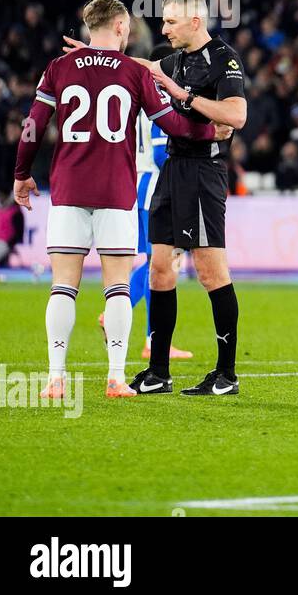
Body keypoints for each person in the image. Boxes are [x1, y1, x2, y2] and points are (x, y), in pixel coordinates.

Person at [13, 0, 222, 399]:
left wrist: (22, 174)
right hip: (117, 191)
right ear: (123, 27)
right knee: (118, 287)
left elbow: (32, 126)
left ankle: (55, 378)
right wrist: (211, 132)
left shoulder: (58, 68)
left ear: (90, 26)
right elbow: (174, 125)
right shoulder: (132, 72)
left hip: (69, 189)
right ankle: (115, 378)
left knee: (62, 286)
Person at [128, 0, 248, 395]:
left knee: (211, 272)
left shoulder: (224, 60)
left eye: (170, 22)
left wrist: (185, 96)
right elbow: (145, 67)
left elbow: (236, 115)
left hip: (204, 172)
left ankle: (226, 374)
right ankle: (158, 371)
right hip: (172, 169)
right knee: (160, 267)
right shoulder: (176, 60)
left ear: (195, 22)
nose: (163, 28)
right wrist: (99, 54)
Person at [96, 44, 193, 361]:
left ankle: (150, 337)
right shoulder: (160, 97)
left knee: (158, 263)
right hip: (156, 191)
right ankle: (149, 338)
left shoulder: (139, 96)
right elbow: (158, 151)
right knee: (162, 264)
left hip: (142, 188)